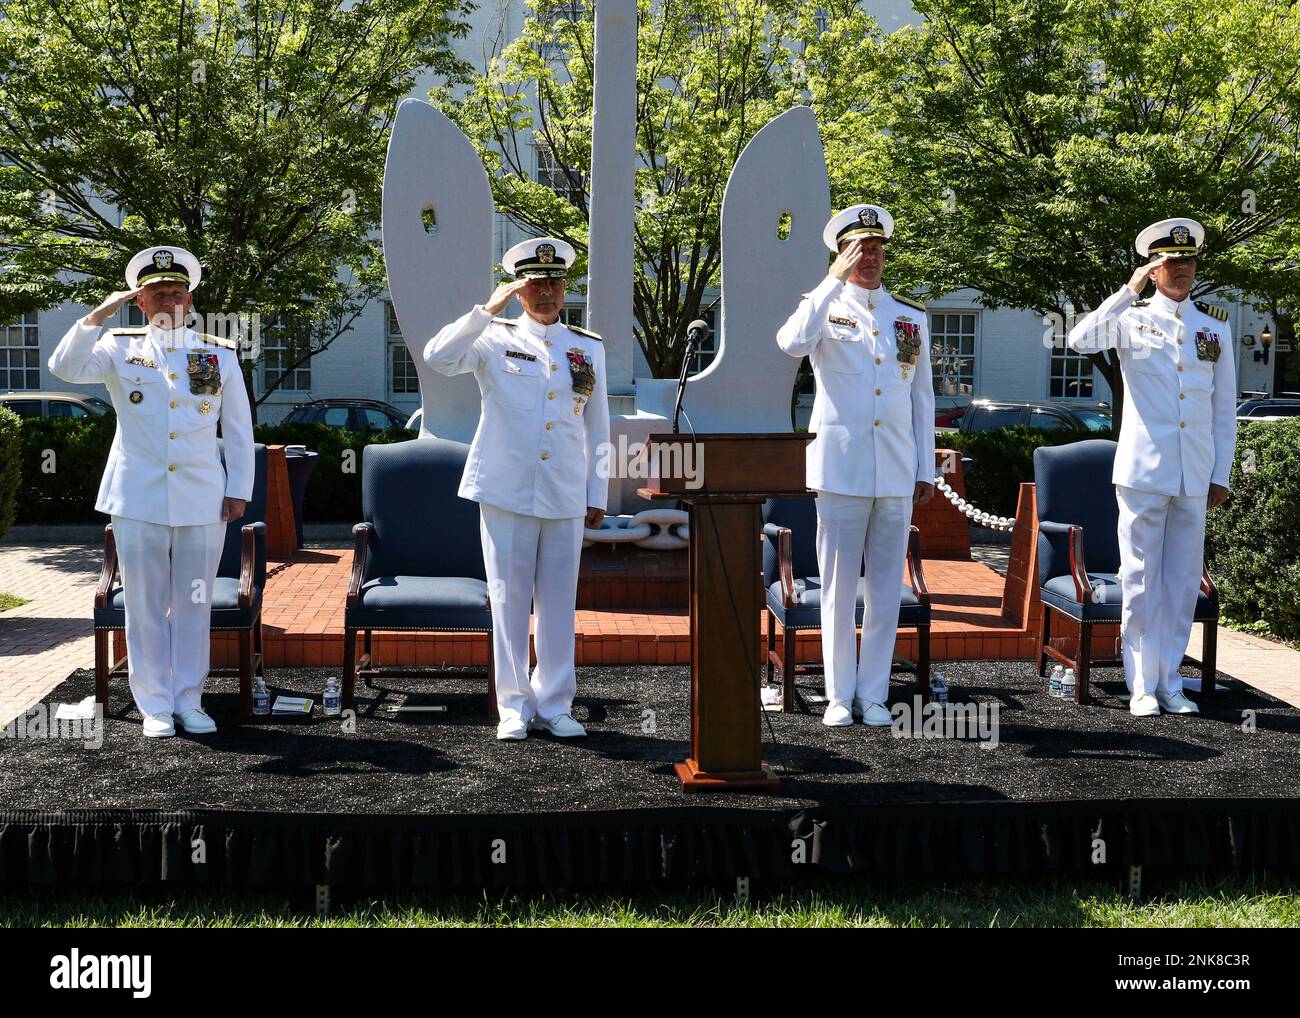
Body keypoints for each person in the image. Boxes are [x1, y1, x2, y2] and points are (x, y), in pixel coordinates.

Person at [48, 246, 254, 737]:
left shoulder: (216, 354)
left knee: (194, 601)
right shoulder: (118, 347)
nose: (169, 302)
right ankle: (155, 705)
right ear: (140, 301)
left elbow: (239, 428)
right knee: (143, 602)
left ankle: (189, 700)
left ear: (190, 298)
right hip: (138, 497)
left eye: (178, 293)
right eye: (158, 294)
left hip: (203, 497)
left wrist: (239, 488)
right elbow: (64, 366)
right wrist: (99, 314)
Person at [424, 237, 610, 741]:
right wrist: (487, 308)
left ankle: (555, 704)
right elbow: (438, 356)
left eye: (553, 282)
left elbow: (598, 424)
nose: (546, 292)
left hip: (565, 491)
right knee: (508, 599)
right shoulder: (493, 336)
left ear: (565, 287)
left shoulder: (585, 346)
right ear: (519, 289)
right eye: (534, 283)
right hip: (506, 489)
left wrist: (598, 492)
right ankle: (513, 705)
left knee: (558, 601)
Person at [1067, 217, 1236, 717]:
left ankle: (1170, 681)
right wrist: (1127, 289)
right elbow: (1080, 339)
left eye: (1187, 260)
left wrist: (1220, 473)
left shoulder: (1215, 328)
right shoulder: (1130, 318)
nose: (1180, 269)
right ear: (1154, 267)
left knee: (1182, 581)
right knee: (1140, 578)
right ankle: (1140, 683)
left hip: (1194, 474)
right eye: (1169, 261)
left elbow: (1223, 409)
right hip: (1143, 471)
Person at [776, 205, 936, 727]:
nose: (869, 257)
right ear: (841, 253)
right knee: (839, 585)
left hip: (893, 468)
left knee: (887, 586)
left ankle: (872, 693)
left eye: (876, 248)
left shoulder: (910, 317)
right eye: (858, 248)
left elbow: (922, 401)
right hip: (840, 467)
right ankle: (839, 692)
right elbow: (790, 343)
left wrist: (925, 469)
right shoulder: (822, 305)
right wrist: (829, 282)